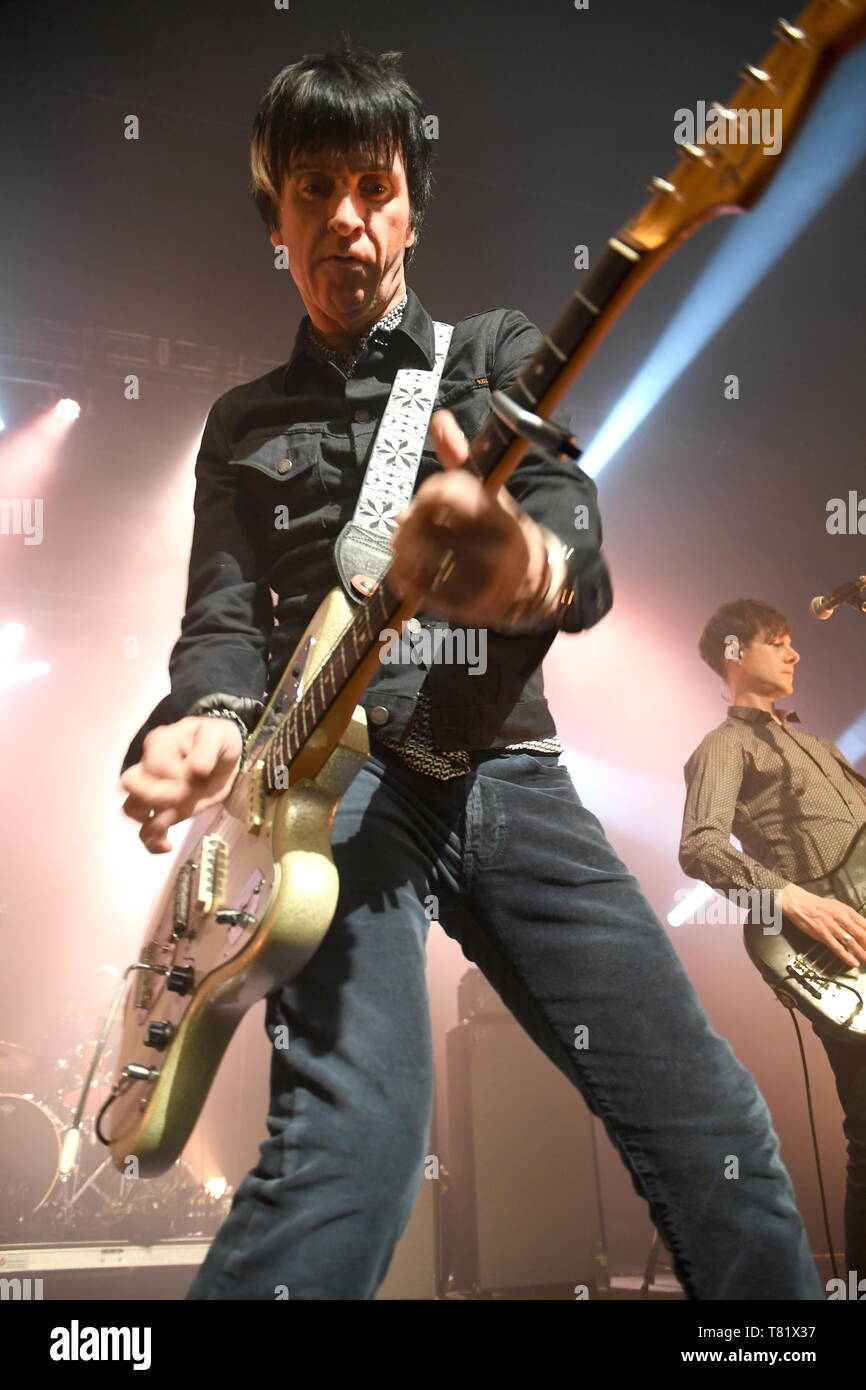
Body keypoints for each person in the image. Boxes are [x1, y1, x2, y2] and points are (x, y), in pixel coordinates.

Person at [119, 49, 822, 1300]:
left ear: (410, 202)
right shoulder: (239, 424)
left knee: (714, 1128)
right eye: (312, 190)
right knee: (350, 1153)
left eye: (373, 185)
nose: (346, 216)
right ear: (274, 218)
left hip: (503, 773)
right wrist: (201, 724)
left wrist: (517, 571)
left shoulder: (489, 353)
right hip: (328, 812)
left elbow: (577, 554)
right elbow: (221, 623)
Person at [680, 597, 866, 1280]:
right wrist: (791, 898)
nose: (795, 654)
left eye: (793, 643)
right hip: (837, 957)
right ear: (735, 653)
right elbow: (699, 848)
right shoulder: (723, 747)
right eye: (779, 642)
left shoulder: (818, 745)